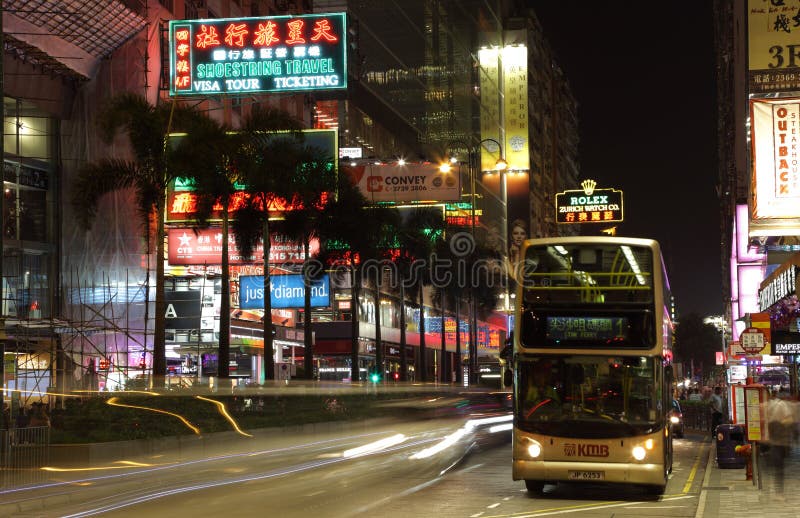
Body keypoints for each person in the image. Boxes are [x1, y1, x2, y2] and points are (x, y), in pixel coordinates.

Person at [766, 390, 795, 496]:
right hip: (777, 441)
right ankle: (779, 491)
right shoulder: (778, 405)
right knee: (778, 467)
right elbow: (789, 420)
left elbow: (789, 420)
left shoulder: (774, 405)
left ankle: (779, 491)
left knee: (778, 466)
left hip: (777, 441)